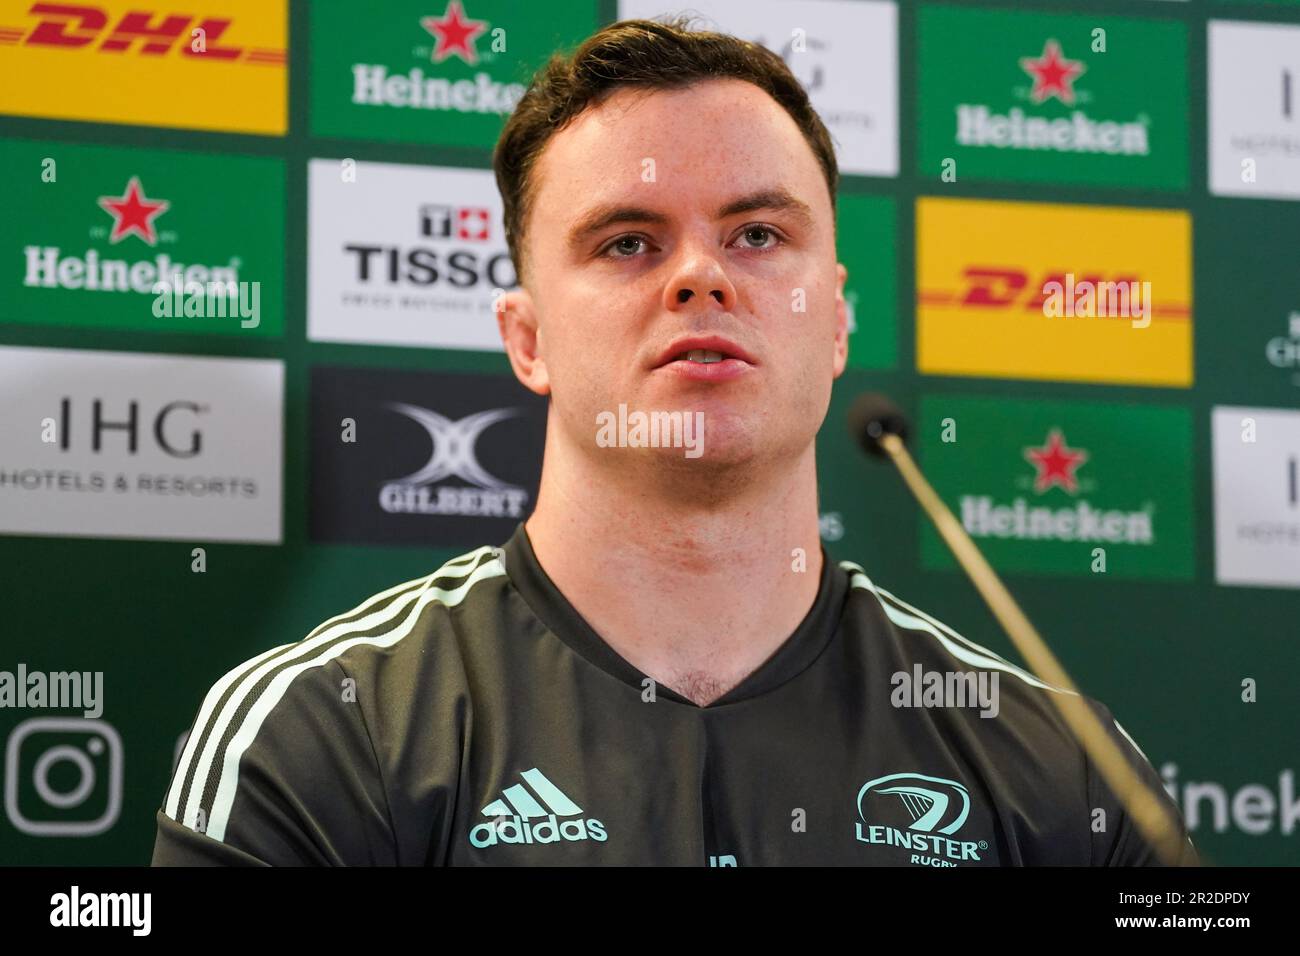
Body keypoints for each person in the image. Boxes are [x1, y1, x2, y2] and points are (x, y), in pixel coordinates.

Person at [152, 16, 1197, 866]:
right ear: (527, 339)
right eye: (627, 242)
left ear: (835, 321)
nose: (701, 276)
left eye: (757, 234)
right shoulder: (321, 731)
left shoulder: (1068, 772)